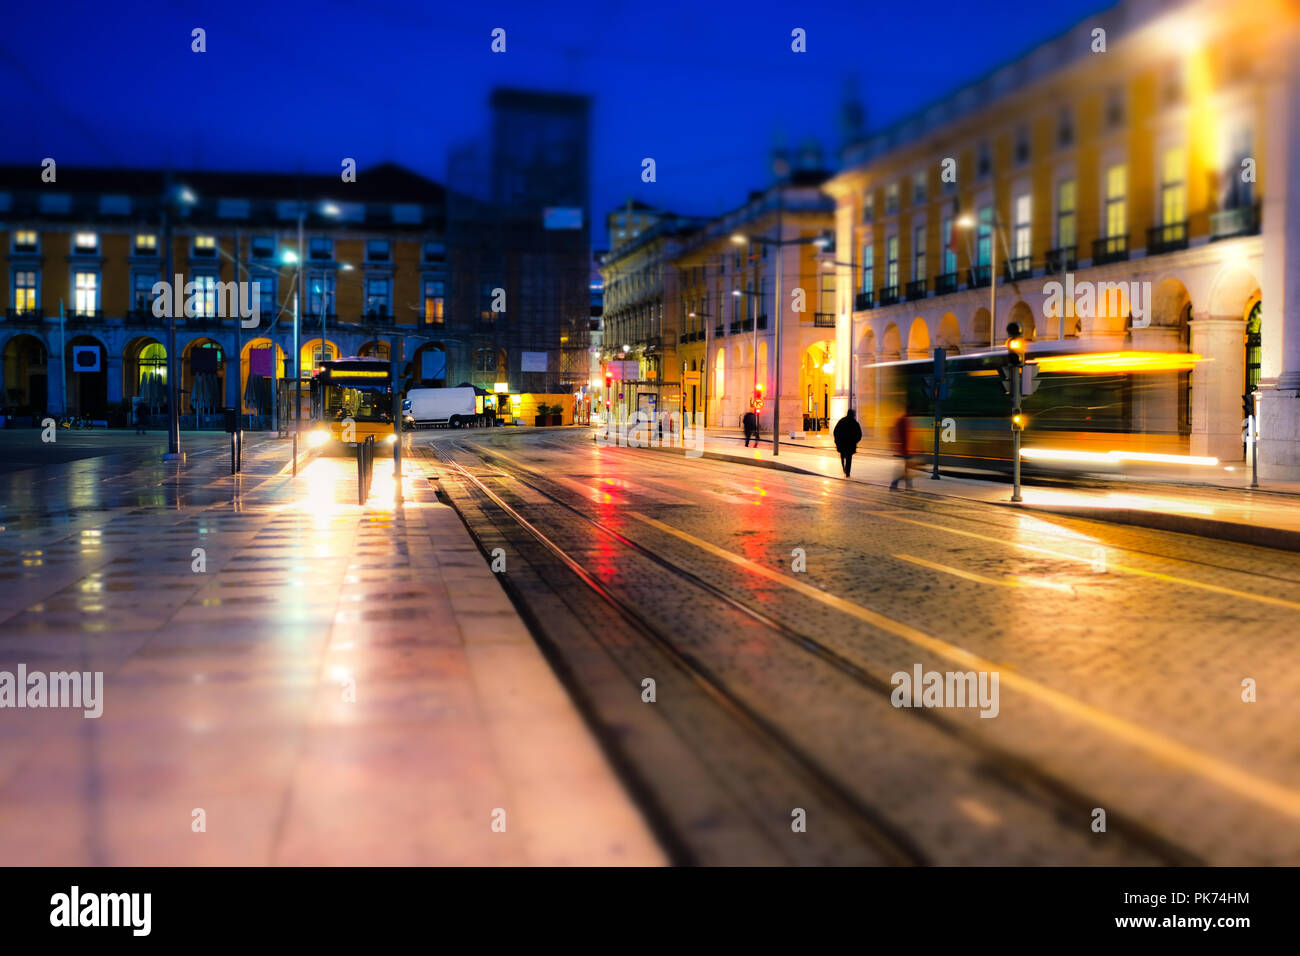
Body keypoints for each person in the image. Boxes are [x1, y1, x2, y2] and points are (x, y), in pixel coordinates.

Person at [888, 412, 915, 491]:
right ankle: (895, 485)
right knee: (905, 470)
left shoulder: (903, 421)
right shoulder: (903, 421)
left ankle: (907, 486)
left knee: (906, 469)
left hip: (905, 450)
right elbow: (903, 437)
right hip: (904, 450)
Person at [832, 408, 862, 477]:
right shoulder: (854, 423)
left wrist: (837, 441)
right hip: (850, 444)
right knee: (849, 458)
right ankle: (847, 472)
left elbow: (835, 431)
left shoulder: (842, 421)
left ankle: (844, 467)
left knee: (842, 455)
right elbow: (859, 434)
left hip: (842, 443)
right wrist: (855, 441)